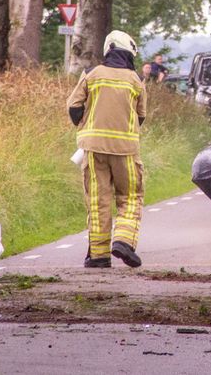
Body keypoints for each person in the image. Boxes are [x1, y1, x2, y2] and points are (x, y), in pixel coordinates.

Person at [68, 30, 148, 269]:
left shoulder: (91, 74)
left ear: (109, 49)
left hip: (93, 149)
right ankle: (123, 241)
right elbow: (141, 116)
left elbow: (73, 106)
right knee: (130, 197)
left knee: (98, 200)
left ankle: (99, 256)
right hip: (126, 150)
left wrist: (86, 124)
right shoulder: (136, 80)